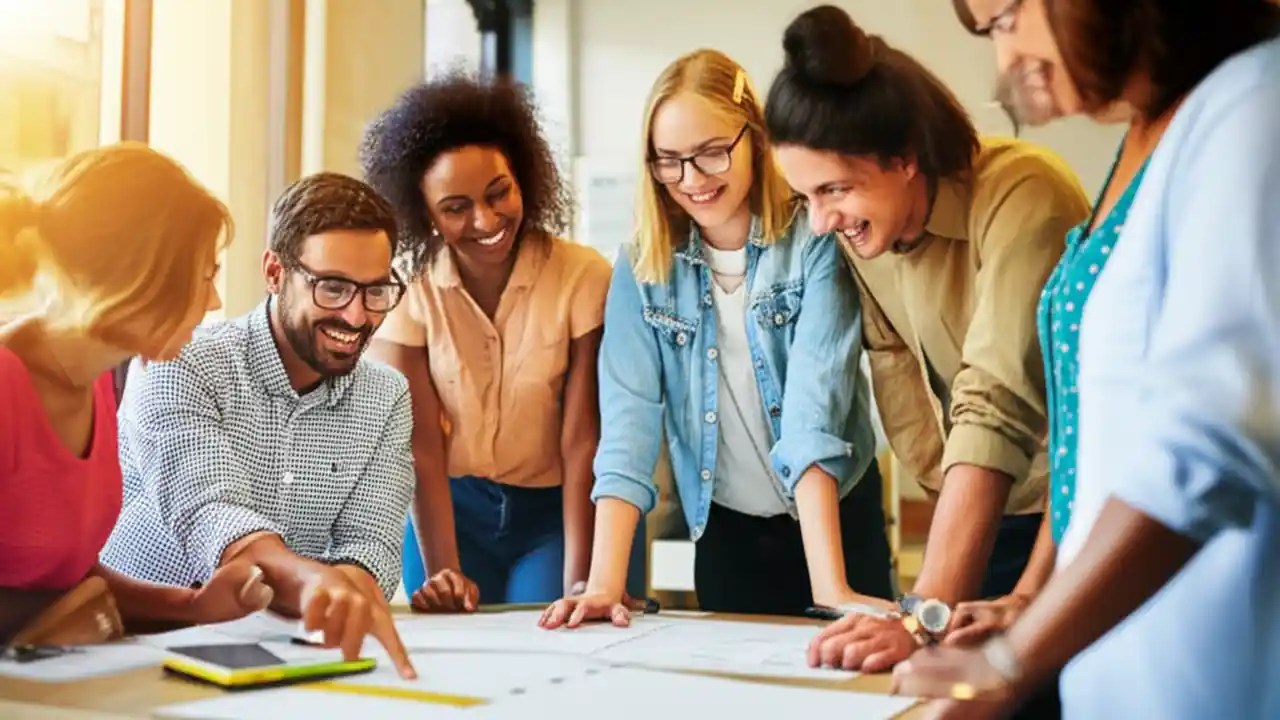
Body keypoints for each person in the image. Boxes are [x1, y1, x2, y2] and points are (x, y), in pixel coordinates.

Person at [892, 2, 1280, 719]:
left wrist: (1014, 662)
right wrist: (1029, 598)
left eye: (1004, 20)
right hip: (1110, 663)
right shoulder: (1145, 134)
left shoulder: (1254, 103)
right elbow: (1087, 442)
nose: (1006, 62)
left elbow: (1206, 443)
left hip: (1207, 664)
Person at [764, 5, 1091, 673]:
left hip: (1075, 521)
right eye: (805, 197)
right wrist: (938, 559)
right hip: (982, 517)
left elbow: (992, 402)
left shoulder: (1024, 193)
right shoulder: (866, 229)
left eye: (834, 189)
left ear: (904, 158)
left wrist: (925, 610)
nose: (822, 222)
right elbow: (893, 366)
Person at [541, 48, 895, 629]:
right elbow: (628, 424)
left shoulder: (814, 241)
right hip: (726, 526)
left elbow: (814, 415)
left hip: (834, 521)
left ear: (754, 137)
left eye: (710, 154)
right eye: (669, 161)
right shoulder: (642, 267)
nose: (692, 180)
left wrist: (831, 586)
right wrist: (605, 583)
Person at [98, 172, 417, 678]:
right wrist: (315, 583)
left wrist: (338, 596)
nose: (356, 316)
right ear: (274, 271)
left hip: (282, 655)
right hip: (132, 646)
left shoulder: (387, 396)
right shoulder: (180, 360)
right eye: (332, 288)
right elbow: (213, 516)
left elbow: (370, 543)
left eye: (375, 292)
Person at [361, 72, 617, 610]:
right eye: (456, 207)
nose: (486, 219)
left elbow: (581, 440)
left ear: (523, 177)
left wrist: (580, 585)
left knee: (550, 634)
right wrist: (444, 572)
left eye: (499, 192)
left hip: (553, 514)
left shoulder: (582, 276)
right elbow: (420, 443)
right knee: (456, 648)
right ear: (424, 213)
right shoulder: (408, 285)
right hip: (451, 511)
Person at [0, 144, 271, 643]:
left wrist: (195, 604)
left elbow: (62, 576)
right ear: (137, 277)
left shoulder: (98, 380)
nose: (214, 302)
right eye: (204, 276)